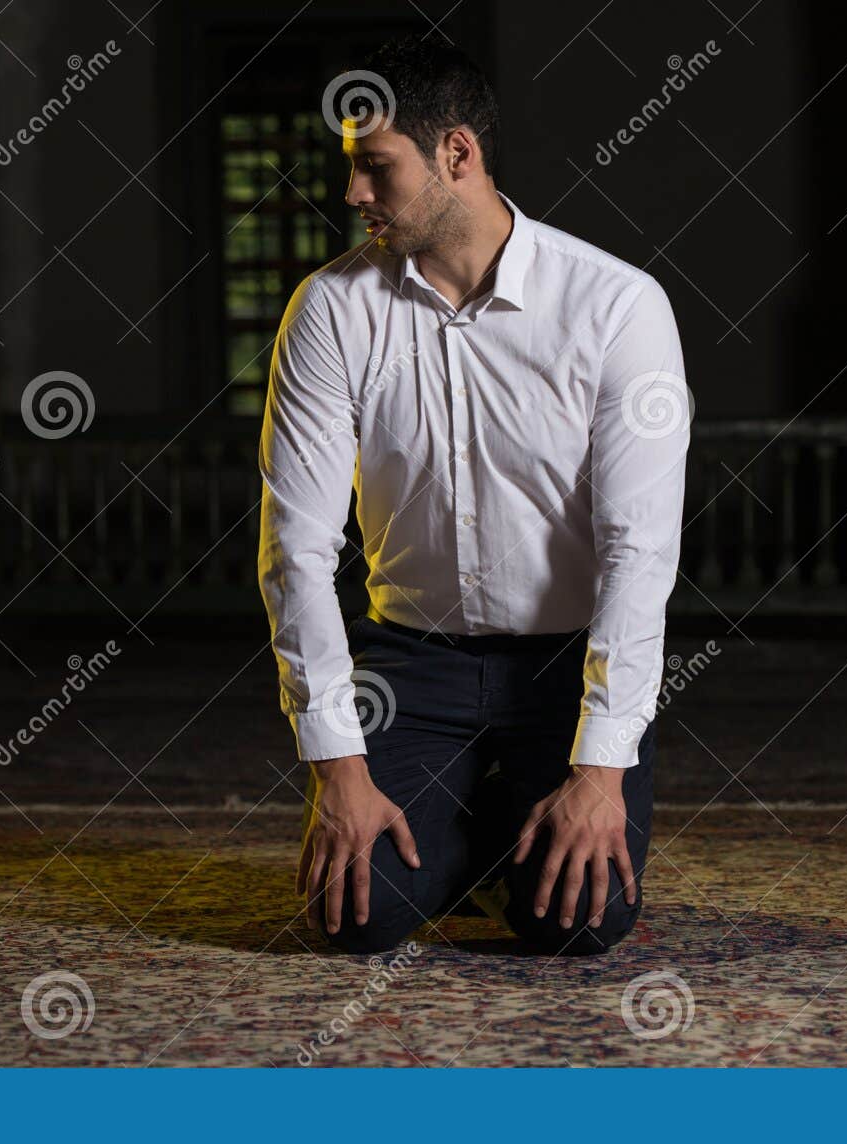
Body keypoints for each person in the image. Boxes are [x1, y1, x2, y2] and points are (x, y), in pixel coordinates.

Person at [258, 34, 691, 956]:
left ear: (457, 152)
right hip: (410, 667)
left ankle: (485, 832)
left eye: (376, 167)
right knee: (355, 917)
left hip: (563, 670)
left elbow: (638, 553)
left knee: (578, 923)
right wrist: (338, 769)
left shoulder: (618, 307)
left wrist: (599, 776)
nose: (353, 193)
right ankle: (456, 830)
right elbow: (296, 549)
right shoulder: (329, 311)